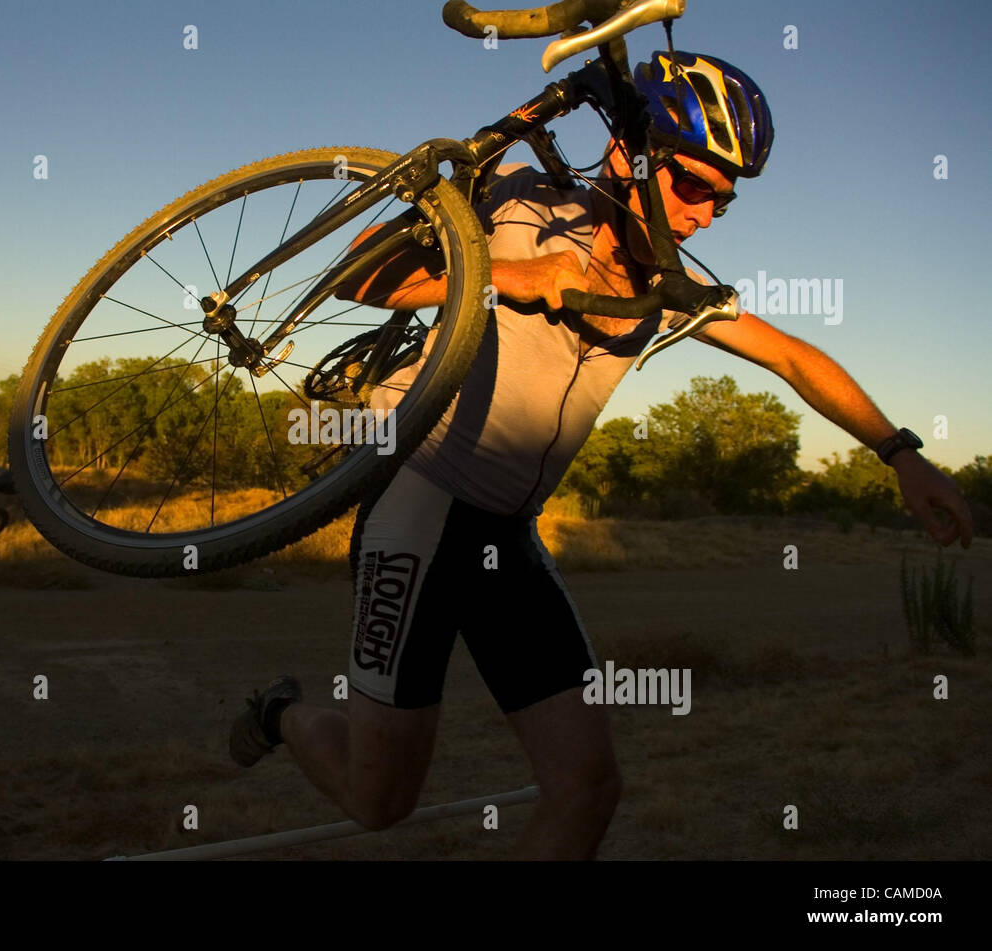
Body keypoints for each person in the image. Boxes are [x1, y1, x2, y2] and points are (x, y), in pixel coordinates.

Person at [228, 50, 975, 859]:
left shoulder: (669, 286)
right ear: (631, 154)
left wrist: (902, 455)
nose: (704, 216)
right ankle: (279, 713)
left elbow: (794, 358)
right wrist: (507, 274)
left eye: (724, 202)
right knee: (381, 801)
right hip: (419, 501)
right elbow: (356, 276)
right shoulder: (523, 197)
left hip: (508, 536)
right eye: (693, 186)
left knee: (587, 787)